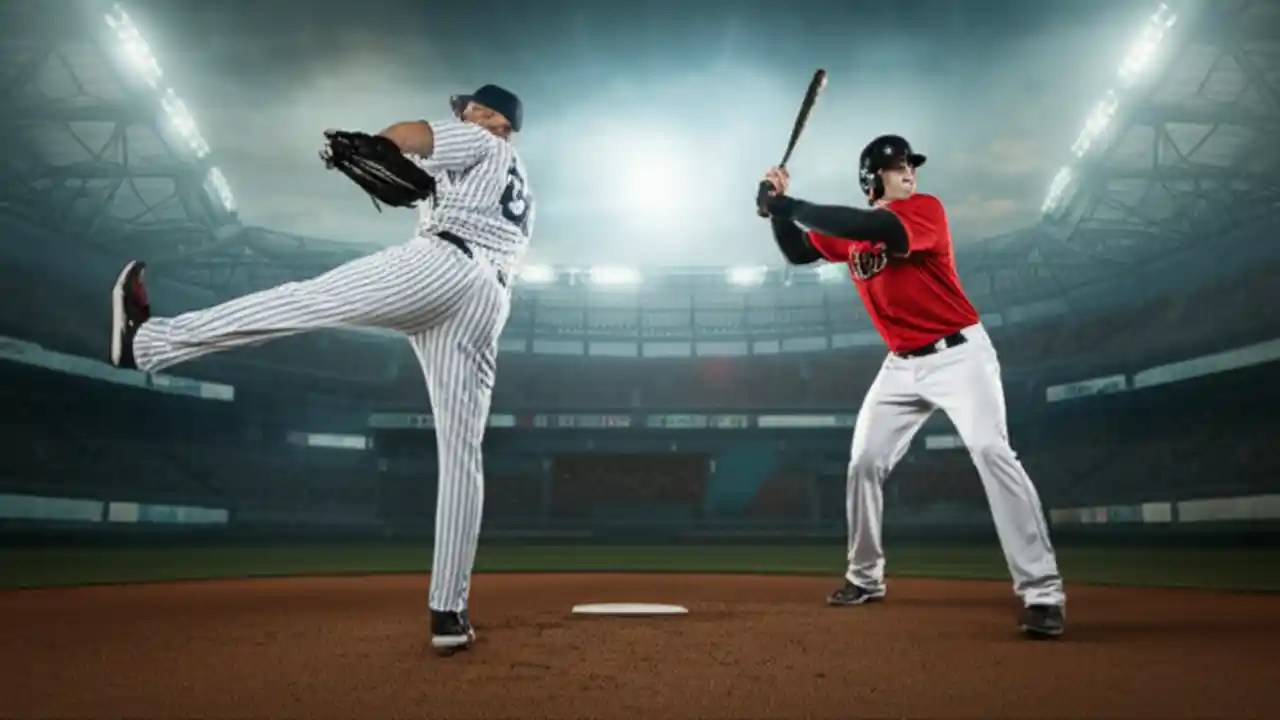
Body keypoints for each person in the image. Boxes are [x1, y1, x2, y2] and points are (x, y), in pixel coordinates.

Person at [108, 84, 534, 654]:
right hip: (488, 301)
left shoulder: (482, 141)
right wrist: (400, 167)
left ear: (497, 120)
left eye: (473, 109)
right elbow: (424, 177)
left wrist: (378, 142)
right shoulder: (518, 183)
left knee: (305, 300)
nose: (462, 114)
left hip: (442, 267)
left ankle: (147, 344)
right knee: (463, 456)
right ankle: (448, 615)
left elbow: (409, 136)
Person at [756, 134, 1066, 638]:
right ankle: (864, 577)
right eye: (897, 166)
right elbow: (798, 252)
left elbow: (872, 226)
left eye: (910, 164)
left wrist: (787, 205)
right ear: (871, 179)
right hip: (901, 365)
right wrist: (776, 208)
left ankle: (1043, 594)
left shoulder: (924, 211)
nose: (908, 172)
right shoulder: (850, 234)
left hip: (959, 354)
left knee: (992, 451)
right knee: (864, 462)